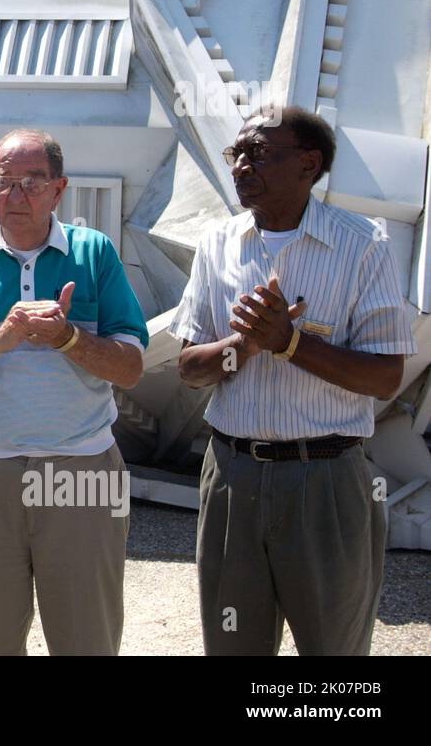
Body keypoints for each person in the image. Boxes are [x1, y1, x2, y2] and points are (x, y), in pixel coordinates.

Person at [172, 107, 414, 656]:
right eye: (236, 155)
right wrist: (248, 345)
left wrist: (293, 344)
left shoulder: (364, 246)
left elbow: (385, 376)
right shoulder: (218, 245)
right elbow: (190, 370)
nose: (239, 167)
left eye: (257, 154)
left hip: (325, 482)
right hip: (232, 477)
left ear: (309, 164)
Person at [0, 129, 147, 656]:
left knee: (86, 638)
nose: (16, 195)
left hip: (81, 468)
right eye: (4, 182)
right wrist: (3, 339)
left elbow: (132, 368)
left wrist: (67, 338)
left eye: (32, 182)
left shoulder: (94, 254)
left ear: (59, 189)